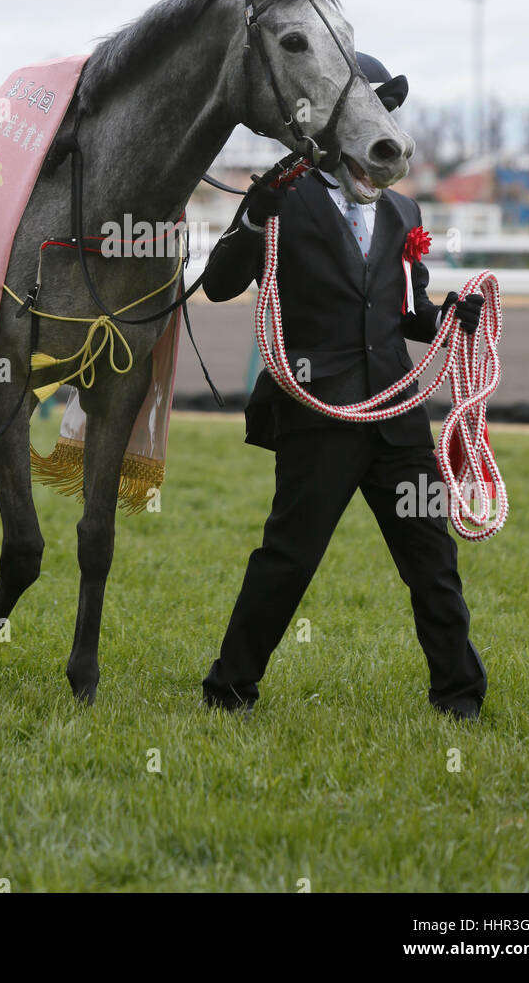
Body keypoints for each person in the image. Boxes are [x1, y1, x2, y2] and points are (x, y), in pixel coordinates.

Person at [201, 54, 487, 721]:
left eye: (386, 110)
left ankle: (459, 694)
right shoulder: (280, 195)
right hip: (318, 413)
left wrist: (448, 317)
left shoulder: (403, 207)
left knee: (432, 558)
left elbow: (404, 315)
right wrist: (252, 218)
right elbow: (217, 284)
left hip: (397, 415)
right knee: (289, 558)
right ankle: (230, 687)